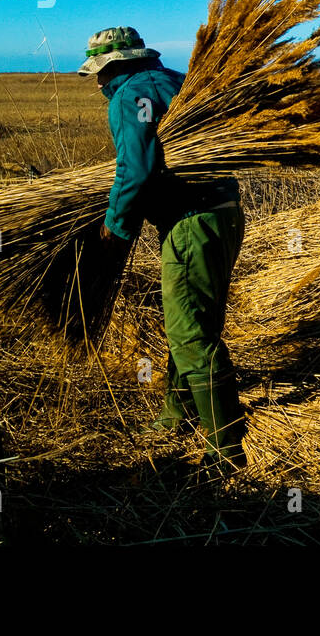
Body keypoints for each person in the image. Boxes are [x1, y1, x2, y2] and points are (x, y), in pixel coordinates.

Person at [76, 26, 247, 467]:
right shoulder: (184, 80)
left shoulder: (128, 94)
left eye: (99, 72)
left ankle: (225, 449)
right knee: (188, 318)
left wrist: (115, 227)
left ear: (113, 66)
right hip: (225, 212)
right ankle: (179, 412)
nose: (97, 83)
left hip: (191, 221)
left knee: (191, 331)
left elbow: (136, 170)